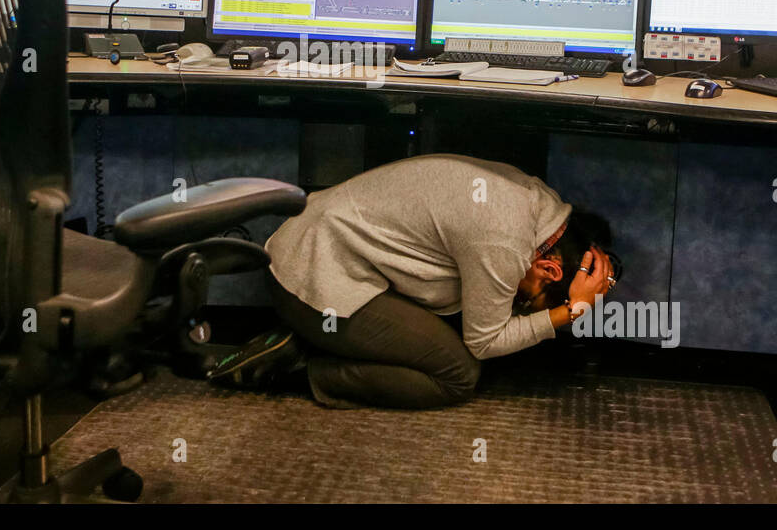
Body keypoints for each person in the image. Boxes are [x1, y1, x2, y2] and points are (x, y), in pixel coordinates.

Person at [208, 154, 618, 409]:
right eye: (531, 301)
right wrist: (568, 312)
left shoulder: (540, 205)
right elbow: (485, 341)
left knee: (456, 330)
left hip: (330, 253)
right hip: (309, 276)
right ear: (550, 270)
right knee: (457, 374)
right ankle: (299, 368)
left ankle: (311, 340)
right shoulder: (504, 241)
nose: (522, 305)